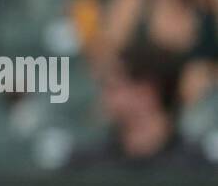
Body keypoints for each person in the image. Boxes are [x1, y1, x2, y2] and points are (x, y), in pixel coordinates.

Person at [65, 41, 212, 169]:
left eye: (113, 88)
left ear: (146, 93)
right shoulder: (87, 164)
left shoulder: (194, 167)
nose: (104, 96)